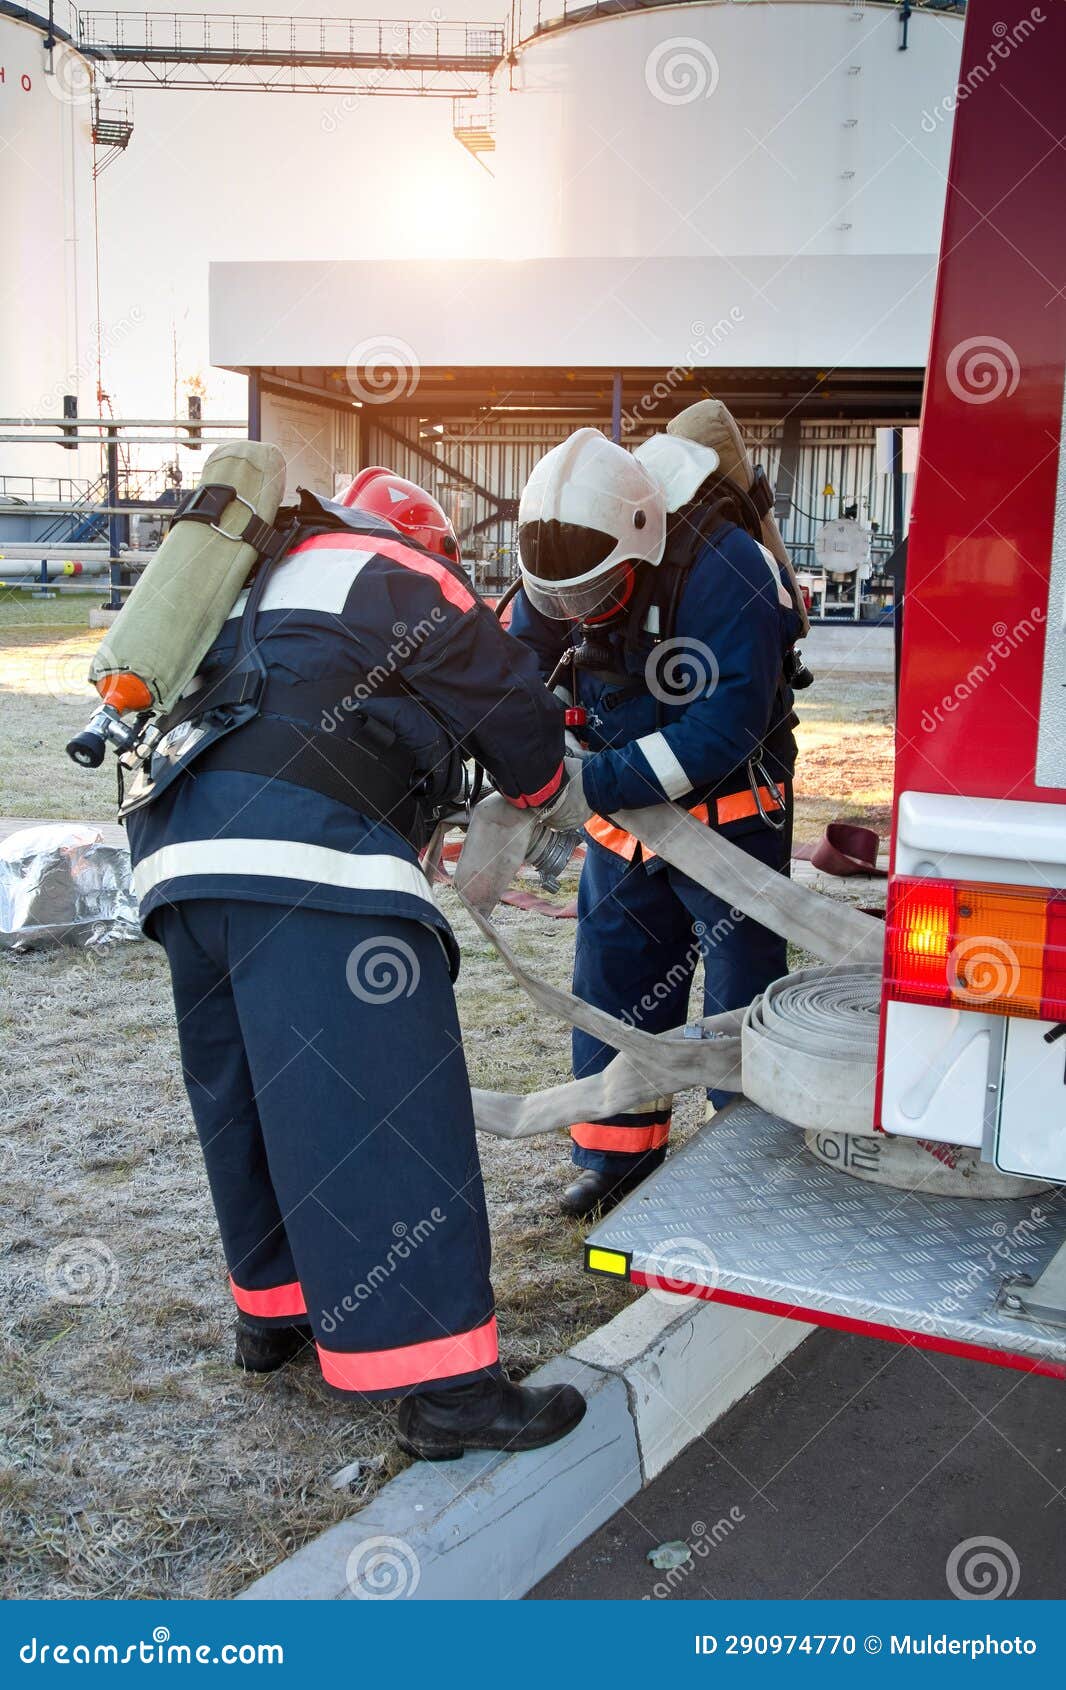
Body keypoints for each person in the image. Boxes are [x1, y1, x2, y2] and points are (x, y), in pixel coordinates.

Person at [122, 466, 586, 1460]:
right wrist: (549, 786)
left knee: (248, 1096)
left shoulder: (246, 575)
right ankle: (450, 1392)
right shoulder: (398, 571)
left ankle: (274, 1314)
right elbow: (514, 709)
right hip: (308, 862)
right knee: (383, 1112)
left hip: (178, 862)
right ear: (431, 542)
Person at [509, 426, 804, 1219]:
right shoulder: (565, 561)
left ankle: (743, 1163)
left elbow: (724, 728)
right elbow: (515, 665)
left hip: (729, 827)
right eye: (556, 596)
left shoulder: (727, 568)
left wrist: (590, 781)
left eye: (587, 595)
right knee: (614, 989)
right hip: (620, 832)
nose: (572, 612)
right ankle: (615, 1159)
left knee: (739, 999)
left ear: (640, 544)